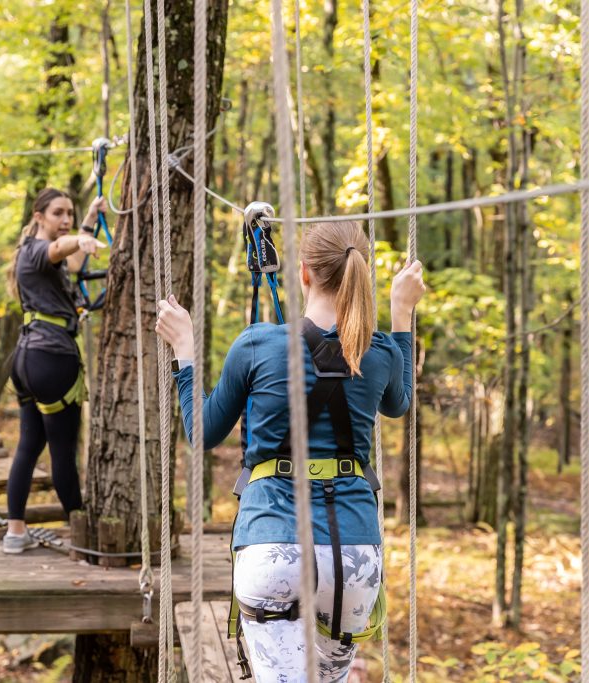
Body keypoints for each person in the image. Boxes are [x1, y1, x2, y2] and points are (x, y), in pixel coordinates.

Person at [155, 220, 425, 682]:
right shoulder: (378, 352)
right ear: (361, 273)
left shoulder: (257, 344)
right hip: (353, 555)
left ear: (303, 273)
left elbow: (202, 432)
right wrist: (401, 314)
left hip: (272, 541)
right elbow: (399, 403)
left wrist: (184, 349)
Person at [1, 188, 107, 554]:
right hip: (51, 358)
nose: (65, 219)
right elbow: (61, 249)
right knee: (63, 453)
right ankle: (82, 532)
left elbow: (72, 262)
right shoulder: (36, 250)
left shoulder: (33, 254)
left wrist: (87, 221)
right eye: (58, 213)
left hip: (28, 360)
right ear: (38, 216)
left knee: (30, 444)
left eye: (69, 214)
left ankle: (15, 532)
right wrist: (79, 238)